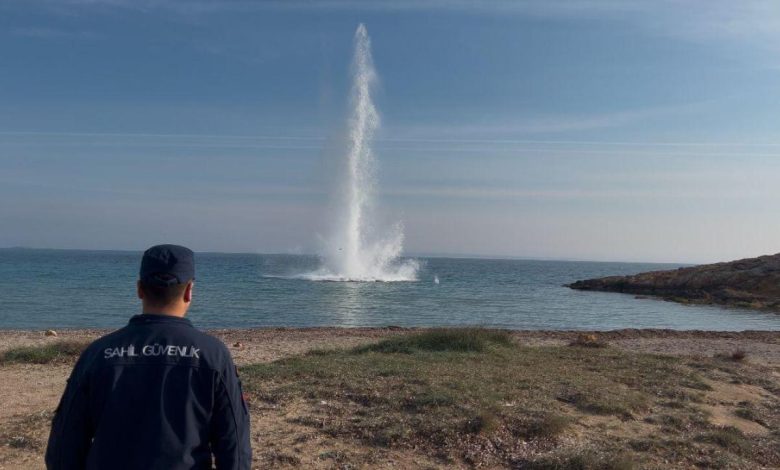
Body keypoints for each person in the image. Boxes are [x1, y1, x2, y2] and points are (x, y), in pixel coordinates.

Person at [45, 244, 251, 470]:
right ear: (189, 291)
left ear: (140, 289)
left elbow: (64, 447)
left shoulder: (98, 353)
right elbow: (234, 448)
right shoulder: (213, 355)